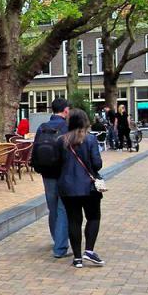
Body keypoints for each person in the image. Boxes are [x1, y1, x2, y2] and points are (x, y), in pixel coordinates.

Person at [56, 109, 104, 268]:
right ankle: (89, 250)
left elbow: (56, 165)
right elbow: (97, 164)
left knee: (73, 221)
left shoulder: (61, 141)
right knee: (93, 217)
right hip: (89, 187)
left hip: (67, 188)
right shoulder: (90, 140)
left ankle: (77, 258)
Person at [33, 98, 70, 258]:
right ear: (66, 111)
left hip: (46, 173)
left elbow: (35, 149)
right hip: (63, 172)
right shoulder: (67, 127)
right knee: (63, 208)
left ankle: (57, 238)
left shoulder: (42, 127)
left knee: (52, 207)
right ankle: (60, 247)